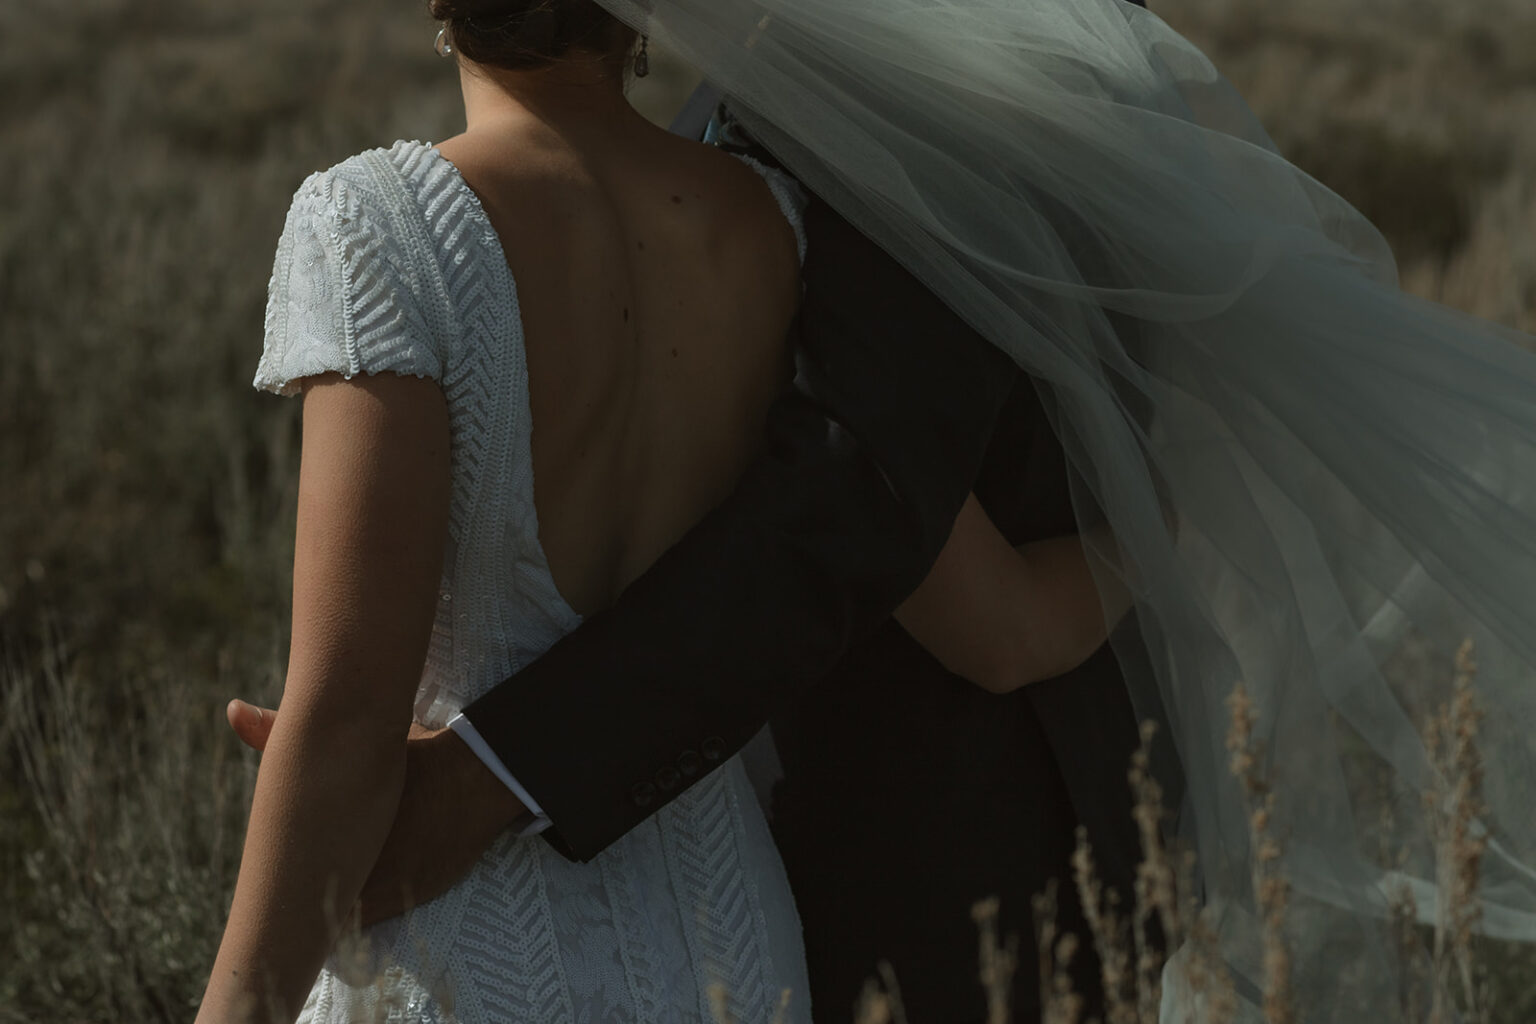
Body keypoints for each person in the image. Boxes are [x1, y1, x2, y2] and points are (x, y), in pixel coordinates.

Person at [200, 2, 1129, 1021]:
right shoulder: (777, 234)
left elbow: (343, 719)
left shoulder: (372, 223)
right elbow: (973, 608)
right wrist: (1165, 546)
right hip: (730, 933)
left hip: (468, 935)